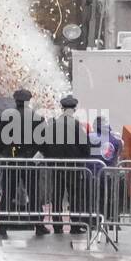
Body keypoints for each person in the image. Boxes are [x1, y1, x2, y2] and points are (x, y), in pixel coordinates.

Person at [0, 88, 48, 236]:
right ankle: (38, 224)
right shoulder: (37, 118)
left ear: (15, 100)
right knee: (33, 192)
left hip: (12, 159)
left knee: (7, 192)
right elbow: (44, 141)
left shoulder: (7, 117)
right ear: (28, 100)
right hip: (30, 161)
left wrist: (2, 153)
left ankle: (3, 225)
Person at [44, 94, 91, 234]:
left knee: (57, 196)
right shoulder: (76, 125)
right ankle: (75, 225)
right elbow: (86, 147)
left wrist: (51, 158)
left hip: (56, 166)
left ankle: (57, 225)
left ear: (62, 108)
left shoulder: (53, 124)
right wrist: (82, 160)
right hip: (73, 167)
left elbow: (46, 145)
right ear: (74, 109)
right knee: (75, 196)